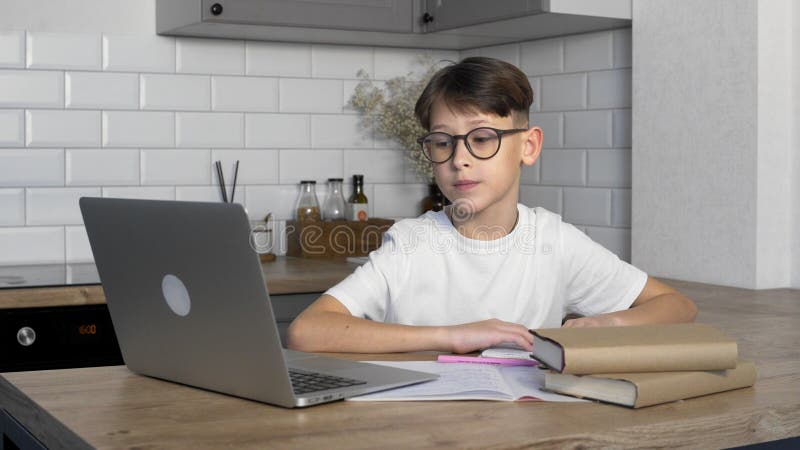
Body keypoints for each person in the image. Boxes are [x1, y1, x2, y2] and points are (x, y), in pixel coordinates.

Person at [287, 57, 697, 354]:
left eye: (482, 138)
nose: (458, 158)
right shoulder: (411, 244)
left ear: (529, 145)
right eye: (442, 142)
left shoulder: (554, 242)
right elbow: (308, 331)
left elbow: (676, 306)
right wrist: (452, 335)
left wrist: (607, 323)